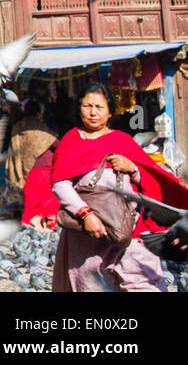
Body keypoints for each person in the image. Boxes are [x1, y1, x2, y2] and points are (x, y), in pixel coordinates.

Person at [51, 82, 188, 292]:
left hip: (130, 229)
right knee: (92, 285)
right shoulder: (71, 141)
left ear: (109, 113)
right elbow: (60, 184)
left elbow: (151, 179)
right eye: (88, 106)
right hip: (89, 233)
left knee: (144, 284)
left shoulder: (122, 140)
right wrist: (86, 215)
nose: (93, 113)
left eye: (99, 107)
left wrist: (133, 168)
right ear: (79, 109)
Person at [4, 99, 58, 208]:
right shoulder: (41, 127)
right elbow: (57, 145)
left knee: (32, 206)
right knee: (47, 206)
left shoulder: (17, 127)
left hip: (25, 171)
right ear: (39, 113)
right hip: (45, 170)